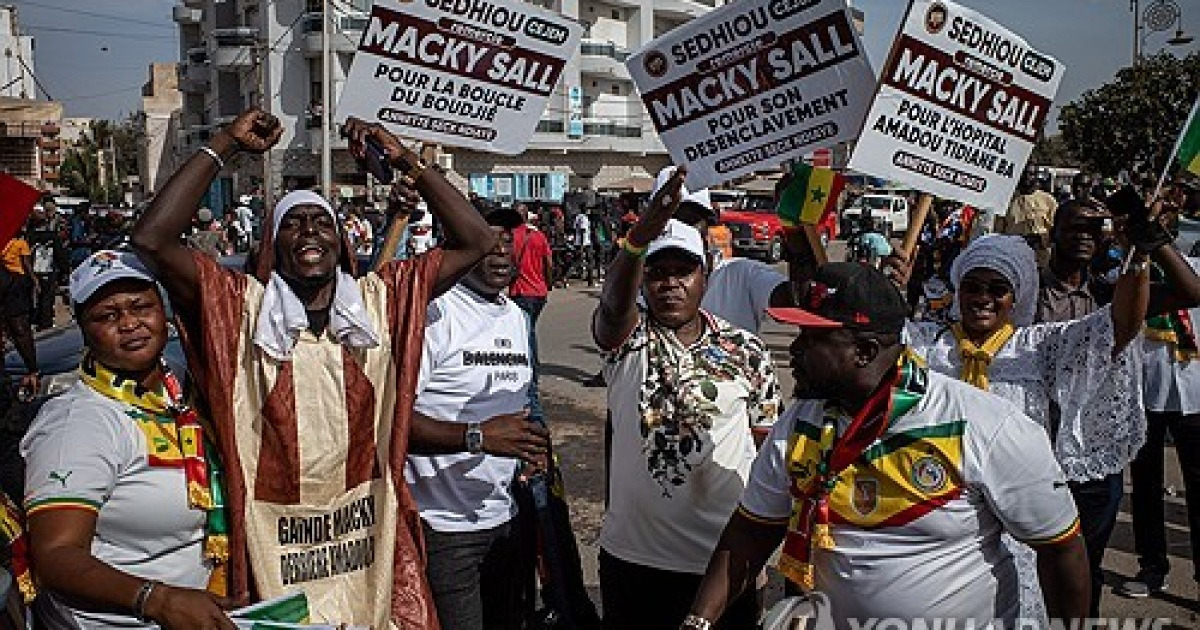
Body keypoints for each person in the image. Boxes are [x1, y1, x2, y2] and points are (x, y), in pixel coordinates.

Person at [130, 108, 495, 628]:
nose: (309, 231)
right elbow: (152, 240)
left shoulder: (380, 303)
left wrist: (406, 160)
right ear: (271, 246)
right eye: (293, 222)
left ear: (341, 243)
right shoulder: (238, 310)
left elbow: (477, 240)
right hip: (271, 549)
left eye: (322, 221)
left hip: (370, 546)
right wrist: (226, 142)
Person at [684, 263, 1089, 630]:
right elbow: (752, 532)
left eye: (811, 339)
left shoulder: (984, 426)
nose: (794, 351)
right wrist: (698, 622)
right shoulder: (800, 422)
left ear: (864, 352)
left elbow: (1061, 549)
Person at [593, 169, 782, 630]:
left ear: (705, 275)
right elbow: (613, 306)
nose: (670, 283)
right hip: (633, 563)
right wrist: (639, 238)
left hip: (722, 566)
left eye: (683, 271)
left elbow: (767, 452)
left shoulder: (746, 350)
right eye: (657, 273)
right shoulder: (628, 340)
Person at [21, 250, 233, 629]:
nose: (130, 324)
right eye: (108, 316)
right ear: (84, 330)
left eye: (141, 307)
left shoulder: (181, 386)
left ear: (163, 314)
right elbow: (56, 555)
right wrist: (157, 599)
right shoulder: (77, 422)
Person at [406, 206, 550, 630]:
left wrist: (531, 450)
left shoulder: (516, 316)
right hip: (441, 528)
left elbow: (521, 406)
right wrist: (476, 437)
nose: (500, 250)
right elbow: (391, 421)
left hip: (505, 518)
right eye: (487, 241)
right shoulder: (435, 313)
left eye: (507, 240)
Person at [996, 168, 1058, 261]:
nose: (1027, 177)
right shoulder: (1006, 200)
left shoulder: (1048, 200)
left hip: (1040, 256)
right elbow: (999, 232)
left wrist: (1041, 239)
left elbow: (1057, 229)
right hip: (1013, 255)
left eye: (1031, 174)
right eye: (1023, 174)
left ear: (1036, 176)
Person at [27, 202, 67, 330]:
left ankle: (36, 319)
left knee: (34, 296)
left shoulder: (29, 236)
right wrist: (65, 270)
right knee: (46, 297)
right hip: (48, 270)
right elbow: (60, 255)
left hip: (31, 270)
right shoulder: (52, 236)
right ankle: (45, 323)